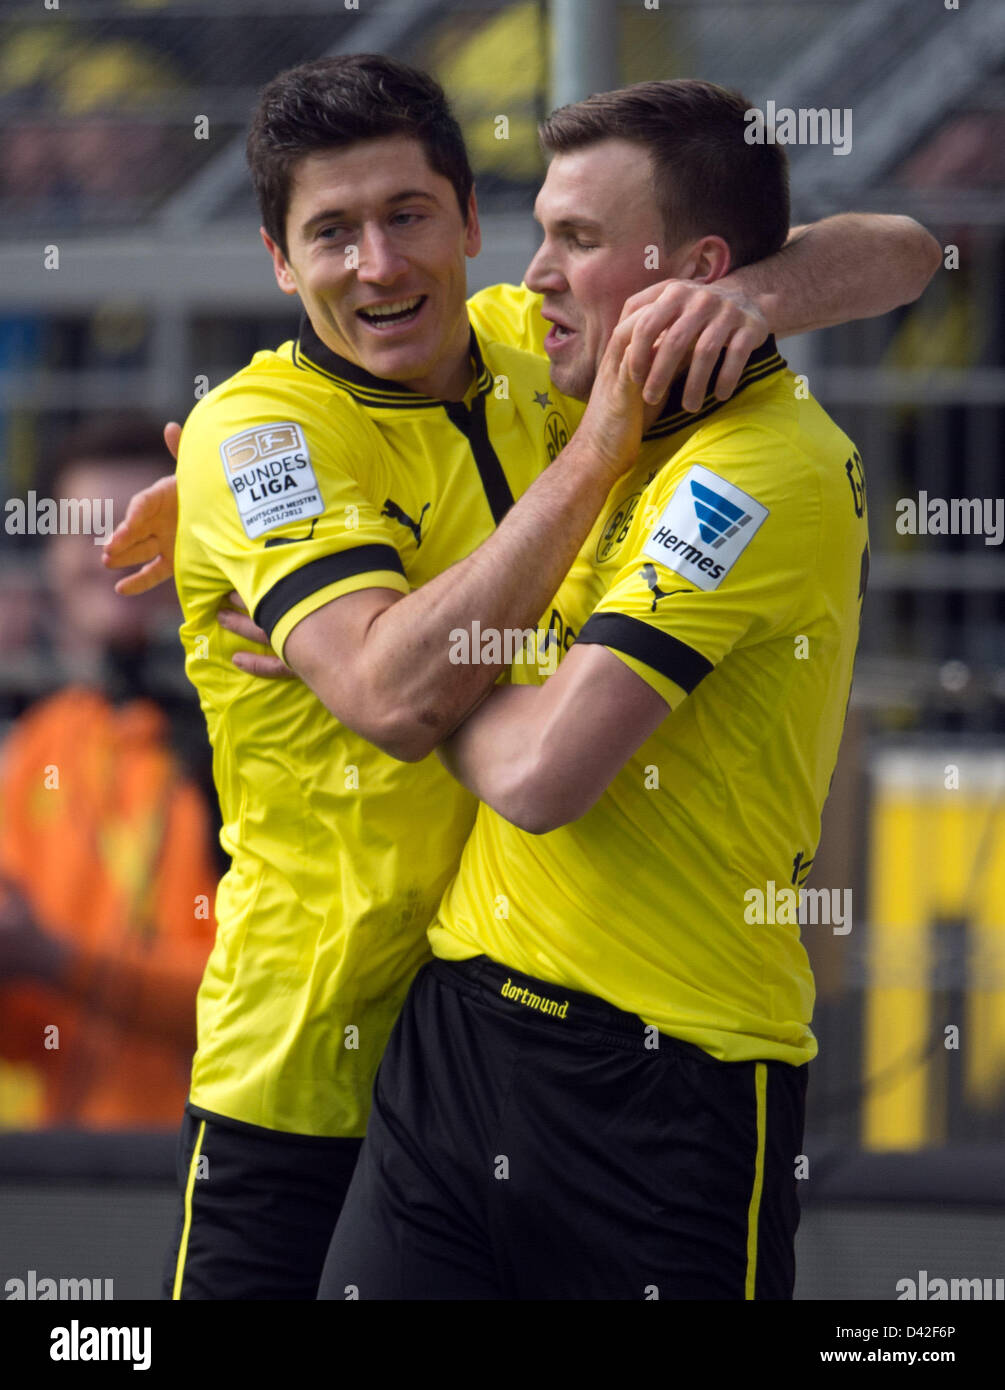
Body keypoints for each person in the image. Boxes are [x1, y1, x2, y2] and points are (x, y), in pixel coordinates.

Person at [103, 56, 939, 1299]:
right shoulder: (262, 433)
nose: (378, 265)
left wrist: (747, 300)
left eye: (407, 216)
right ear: (280, 263)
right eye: (331, 234)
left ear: (468, 224)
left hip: (480, 1016)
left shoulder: (526, 343)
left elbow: (908, 250)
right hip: (306, 1060)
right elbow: (391, 700)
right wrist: (602, 446)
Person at [316, 79, 876, 1300]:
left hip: (666, 1088)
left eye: (576, 239)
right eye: (539, 232)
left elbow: (539, 774)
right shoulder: (563, 357)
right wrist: (217, 494)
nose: (537, 275)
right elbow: (315, 376)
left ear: (693, 271)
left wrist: (380, 674)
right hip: (459, 1040)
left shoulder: (762, 471)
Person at [0, 414, 217, 1130]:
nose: (110, 550)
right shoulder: (42, 745)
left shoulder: (255, 735)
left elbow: (263, 1000)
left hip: (219, 1172)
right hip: (55, 1180)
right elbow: (24, 1039)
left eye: (139, 525)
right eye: (84, 529)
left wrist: (59, 960)